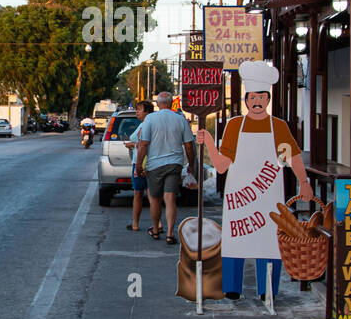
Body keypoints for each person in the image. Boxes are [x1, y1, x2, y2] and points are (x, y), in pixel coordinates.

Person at [198, 60, 312, 301]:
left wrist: (304, 182)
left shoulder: (279, 127)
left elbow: (292, 157)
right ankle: (232, 288)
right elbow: (221, 167)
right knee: (234, 242)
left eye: (262, 97)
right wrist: (208, 141)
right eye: (253, 97)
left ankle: (266, 289)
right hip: (239, 198)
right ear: (246, 100)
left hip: (269, 198)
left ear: (268, 100)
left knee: (269, 243)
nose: (257, 102)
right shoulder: (234, 126)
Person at [135, 91, 196, 244]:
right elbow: (189, 145)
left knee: (155, 199)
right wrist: (191, 164)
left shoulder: (150, 119)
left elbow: (143, 144)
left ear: (157, 104)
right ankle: (170, 233)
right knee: (170, 198)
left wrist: (138, 165)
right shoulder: (180, 119)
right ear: (171, 103)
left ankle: (155, 230)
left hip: (154, 165)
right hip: (174, 164)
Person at [123, 100, 155, 232]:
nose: (137, 112)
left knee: (138, 194)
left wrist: (132, 145)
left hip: (141, 163)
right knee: (152, 194)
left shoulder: (145, 126)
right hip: (152, 163)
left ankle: (136, 223)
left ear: (147, 112)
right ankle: (157, 223)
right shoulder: (148, 125)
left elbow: (143, 144)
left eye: (139, 109)